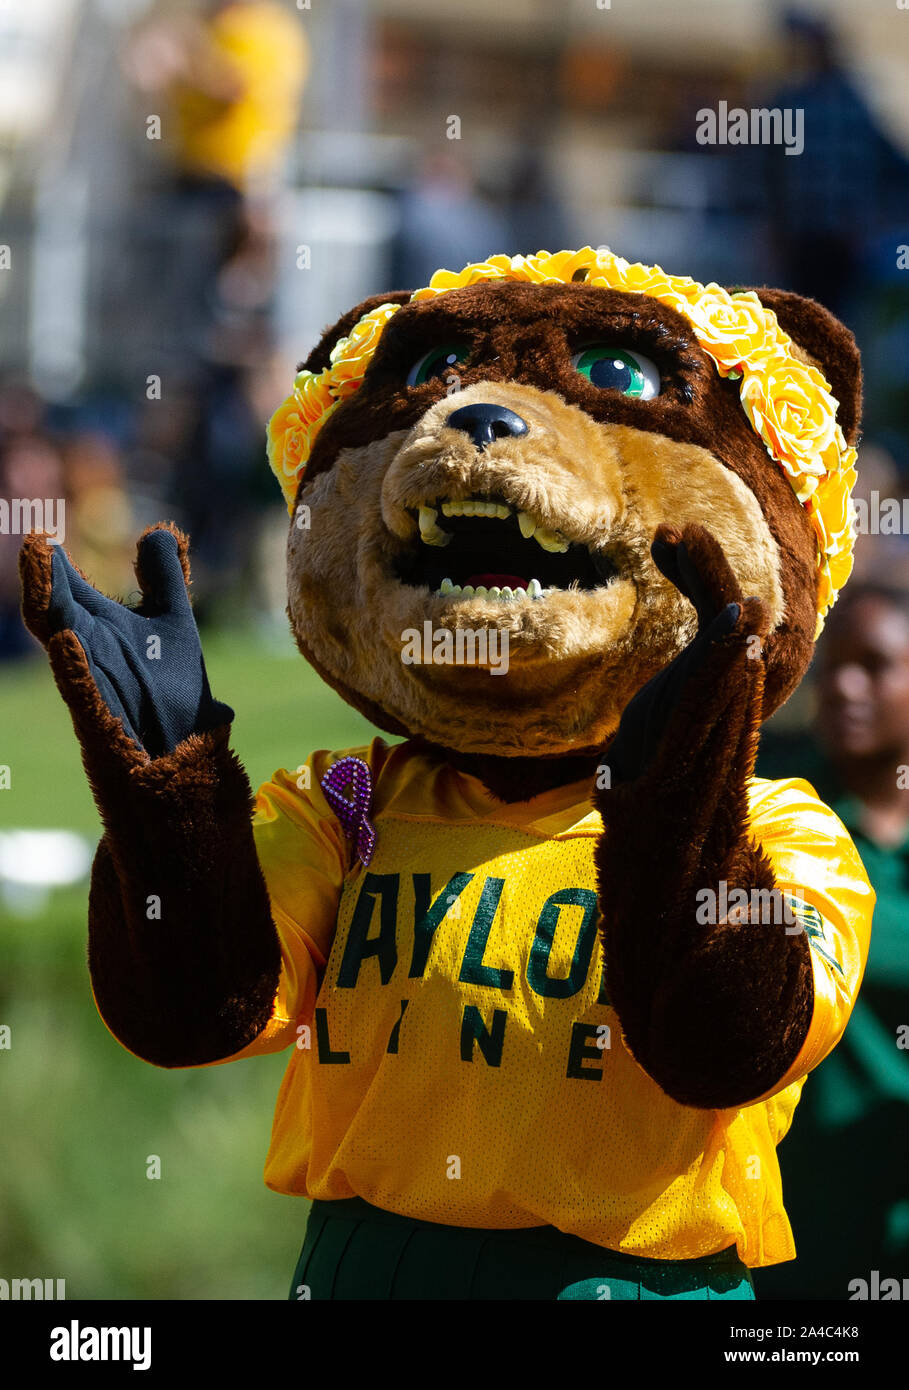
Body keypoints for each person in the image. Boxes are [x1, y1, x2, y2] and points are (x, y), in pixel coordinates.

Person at [755, 583, 909, 1299]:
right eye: (832, 665)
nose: (844, 686)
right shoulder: (776, 820)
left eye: (873, 666)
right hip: (790, 1214)